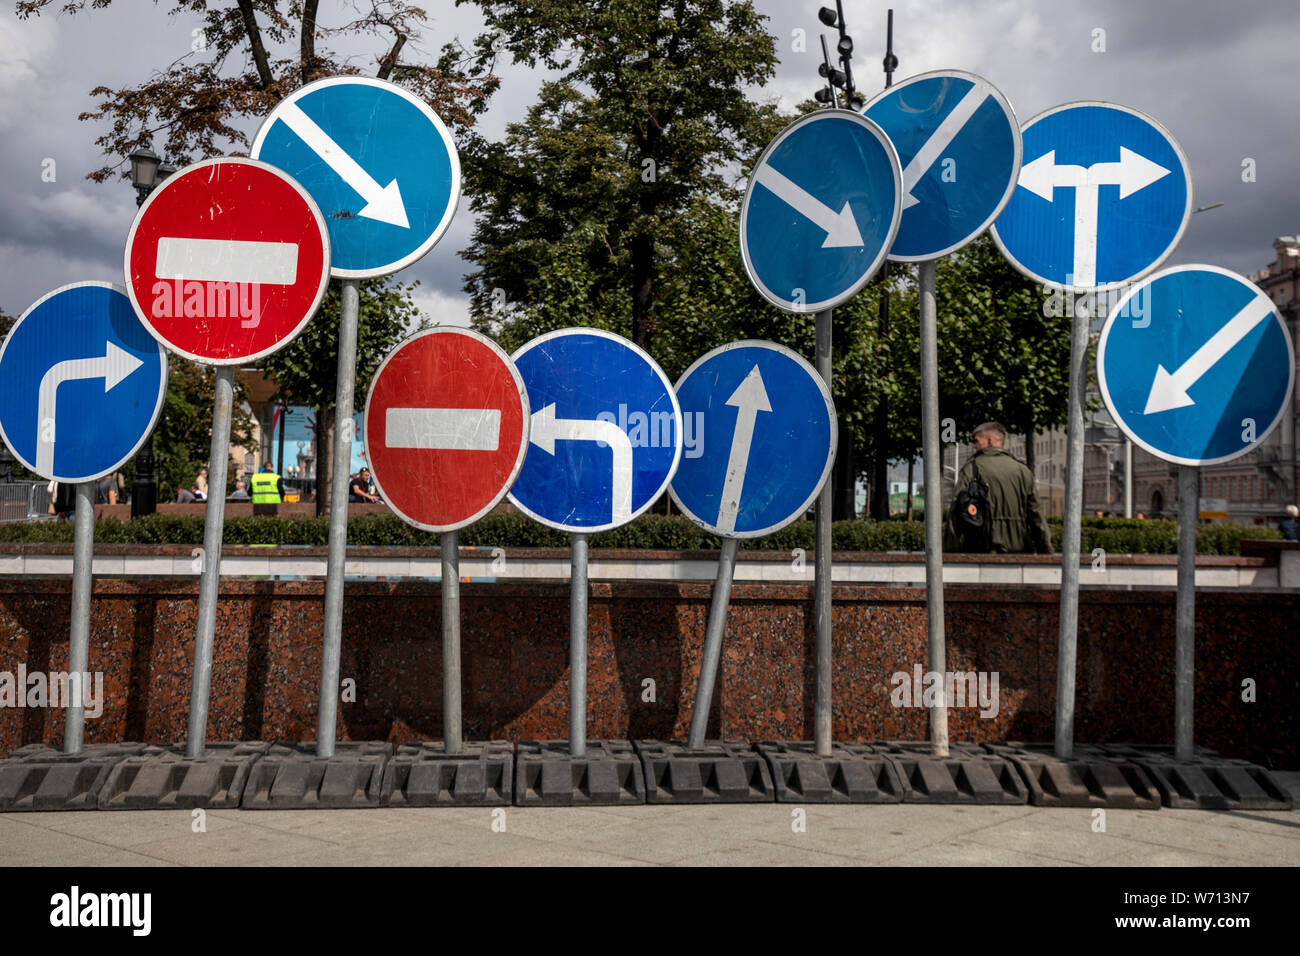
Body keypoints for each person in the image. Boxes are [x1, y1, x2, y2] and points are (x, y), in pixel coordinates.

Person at [944, 421, 1052, 554]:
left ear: (990, 441)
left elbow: (956, 511)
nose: (974, 446)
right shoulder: (1022, 470)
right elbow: (1036, 514)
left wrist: (950, 550)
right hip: (1019, 550)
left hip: (980, 550)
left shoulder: (971, 469)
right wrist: (1046, 550)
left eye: (977, 441)